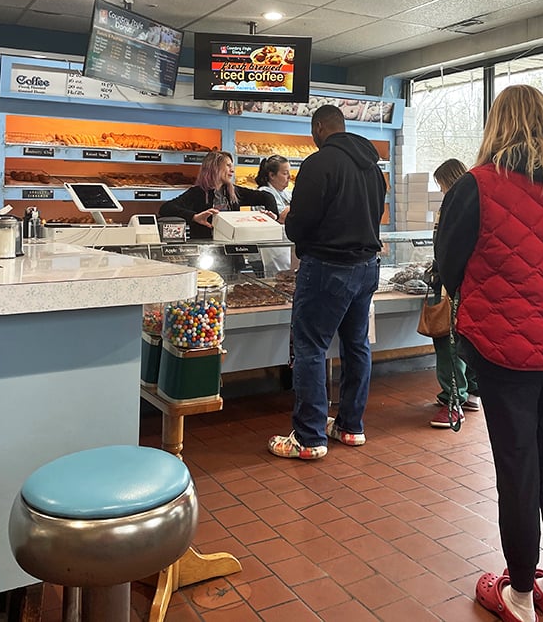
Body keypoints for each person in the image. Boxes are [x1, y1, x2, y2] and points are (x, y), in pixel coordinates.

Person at [435, 85, 543, 622]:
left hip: (502, 350)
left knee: (517, 468)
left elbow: (447, 267)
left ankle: (519, 595)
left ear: (497, 125)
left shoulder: (475, 187)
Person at [268, 104, 386, 460]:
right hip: (367, 267)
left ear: (319, 127)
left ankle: (309, 438)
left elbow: (301, 224)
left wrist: (290, 220)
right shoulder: (373, 167)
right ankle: (350, 427)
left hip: (327, 268)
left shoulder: (318, 164)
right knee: (357, 346)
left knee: (310, 347)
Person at [429, 158, 480, 428]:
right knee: (468, 338)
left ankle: (453, 401)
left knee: (447, 343)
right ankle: (471, 394)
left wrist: (441, 273)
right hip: (471, 287)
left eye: (441, 185)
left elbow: (447, 249)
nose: (440, 191)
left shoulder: (453, 207)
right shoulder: (477, 201)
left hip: (452, 287)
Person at [158, 150, 277, 238]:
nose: (232, 170)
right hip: (206, 250)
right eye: (228, 165)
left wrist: (273, 217)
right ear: (214, 167)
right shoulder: (197, 193)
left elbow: (267, 197)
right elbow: (166, 208)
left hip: (232, 249)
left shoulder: (235, 192)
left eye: (232, 166)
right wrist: (194, 217)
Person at [256, 154, 293, 274]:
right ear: (272, 175)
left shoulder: (286, 193)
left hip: (286, 247)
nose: (289, 177)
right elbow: (282, 217)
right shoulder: (264, 193)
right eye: (285, 173)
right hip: (271, 251)